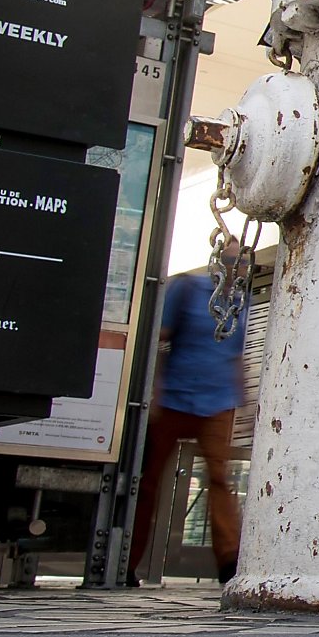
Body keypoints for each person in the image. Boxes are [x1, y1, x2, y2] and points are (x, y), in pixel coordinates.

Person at [127, 243, 247, 586]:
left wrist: (245, 402)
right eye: (230, 262)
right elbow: (160, 336)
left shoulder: (242, 302)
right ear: (217, 262)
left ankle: (229, 562)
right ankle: (128, 560)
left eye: (240, 264)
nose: (235, 270)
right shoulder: (188, 289)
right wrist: (152, 388)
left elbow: (236, 355)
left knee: (221, 481)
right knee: (149, 480)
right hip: (175, 398)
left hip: (218, 402)